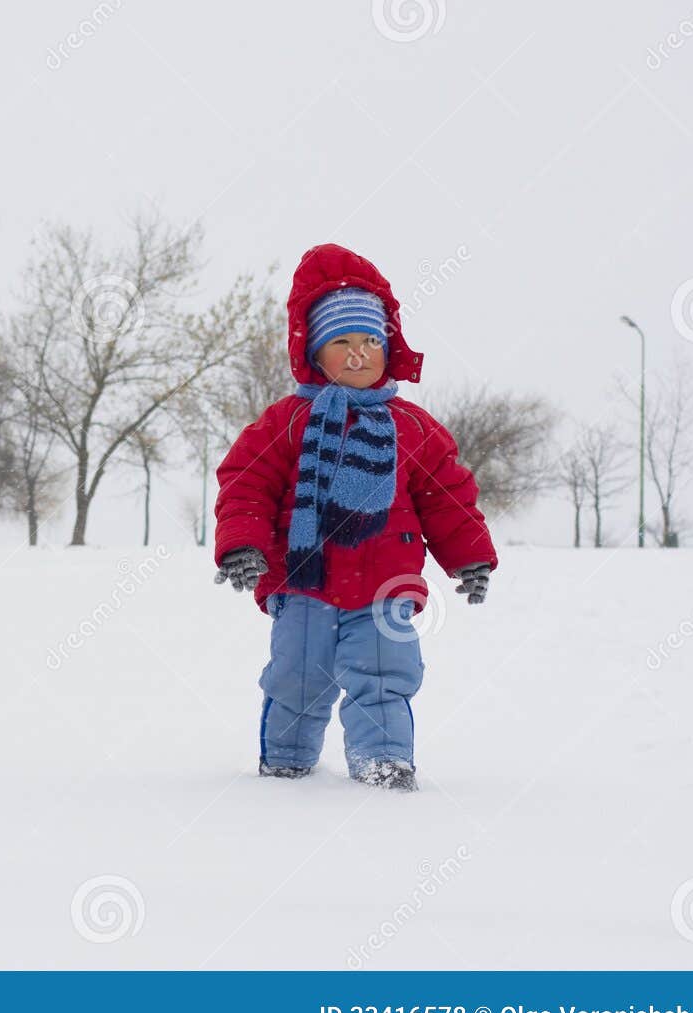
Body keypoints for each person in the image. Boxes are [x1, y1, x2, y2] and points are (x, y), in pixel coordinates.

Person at [212, 242, 497, 791]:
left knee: (385, 676)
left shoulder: (413, 428)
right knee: (297, 678)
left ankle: (383, 759)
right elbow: (246, 484)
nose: (360, 353)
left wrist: (470, 559)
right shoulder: (287, 422)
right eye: (342, 342)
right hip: (304, 579)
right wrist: (243, 545)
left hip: (386, 585)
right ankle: (287, 760)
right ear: (315, 353)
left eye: (371, 340)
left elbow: (449, 499)